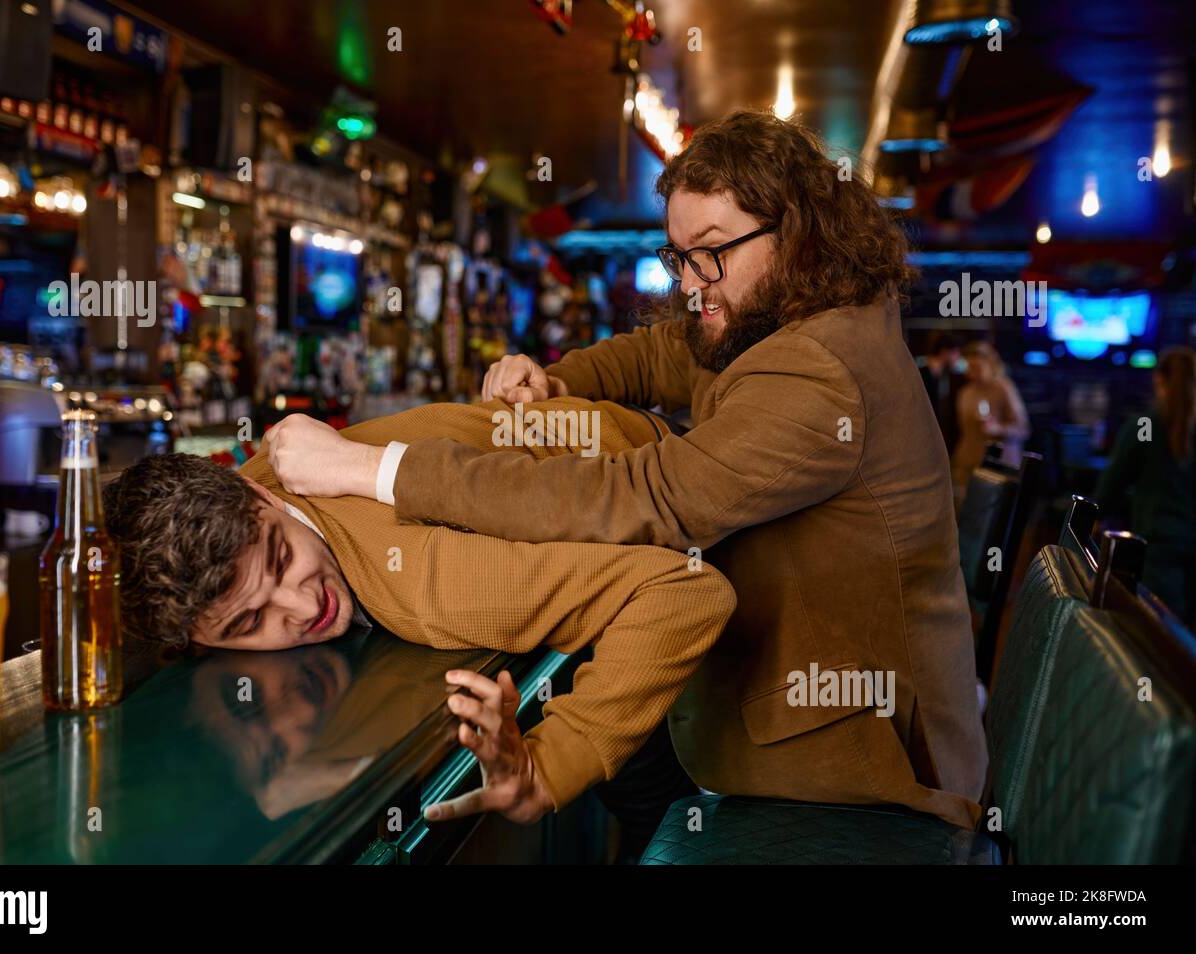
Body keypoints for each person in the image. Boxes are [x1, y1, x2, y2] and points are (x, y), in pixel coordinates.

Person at [266, 109, 989, 832]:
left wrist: (380, 470)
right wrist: (551, 382)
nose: (692, 285)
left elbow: (647, 498)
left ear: (798, 233)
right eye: (679, 257)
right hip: (791, 704)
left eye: (712, 251)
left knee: (606, 771)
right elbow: (662, 352)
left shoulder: (817, 374)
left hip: (855, 761)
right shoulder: (789, 314)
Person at [102, 396, 735, 830]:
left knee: (649, 797)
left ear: (259, 493)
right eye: (248, 623)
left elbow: (687, 590)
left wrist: (550, 766)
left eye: (278, 558)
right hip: (612, 439)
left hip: (689, 489)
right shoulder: (263, 475)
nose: (302, 606)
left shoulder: (434, 585)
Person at [1096, 346, 1196, 624]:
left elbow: (1111, 487)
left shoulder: (1145, 425)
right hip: (1189, 547)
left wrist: (1094, 518)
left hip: (1156, 551)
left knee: (1155, 639)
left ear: (1158, 380)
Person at [951, 340, 1030, 503]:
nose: (973, 373)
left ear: (990, 365)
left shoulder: (1003, 388)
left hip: (997, 467)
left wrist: (998, 429)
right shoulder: (965, 392)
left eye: (977, 368)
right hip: (968, 466)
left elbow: (1023, 429)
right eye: (970, 368)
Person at [919, 330, 962, 452]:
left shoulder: (947, 375)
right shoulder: (921, 375)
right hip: (924, 438)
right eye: (956, 353)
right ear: (945, 352)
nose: (958, 358)